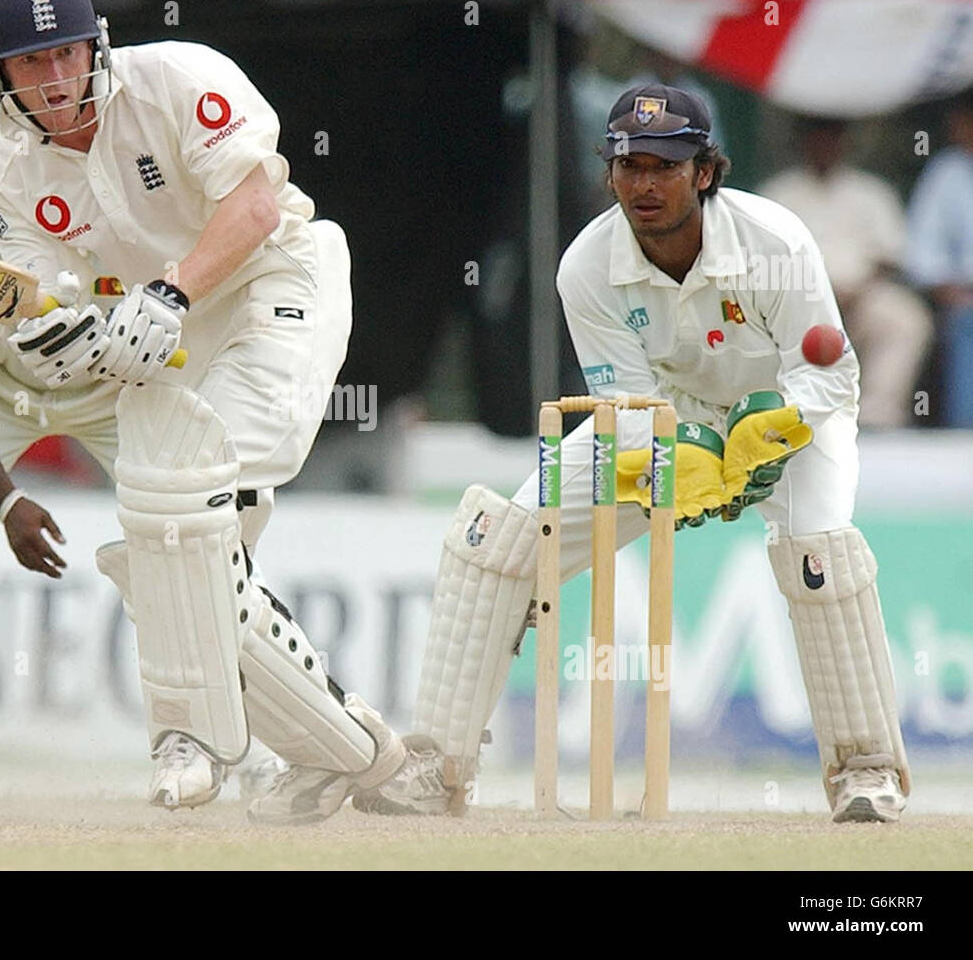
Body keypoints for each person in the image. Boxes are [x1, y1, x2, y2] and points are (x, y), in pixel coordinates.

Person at [0, 0, 405, 824]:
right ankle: (307, 747)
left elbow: (256, 209)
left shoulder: (179, 81)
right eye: (29, 63)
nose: (52, 80)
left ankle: (271, 746)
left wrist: (161, 300)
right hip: (49, 375)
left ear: (97, 47)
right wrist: (66, 346)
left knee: (196, 524)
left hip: (263, 286)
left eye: (65, 54)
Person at [352, 83, 910, 823]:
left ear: (705, 172)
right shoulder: (587, 267)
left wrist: (769, 426)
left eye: (664, 166)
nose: (644, 184)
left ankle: (866, 772)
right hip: (660, 422)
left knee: (820, 560)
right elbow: (625, 405)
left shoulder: (777, 241)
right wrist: (685, 457)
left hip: (787, 416)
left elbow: (832, 373)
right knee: (501, 543)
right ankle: (438, 768)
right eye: (628, 166)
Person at [761, 117, 931, 428]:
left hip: (862, 295)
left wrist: (856, 290)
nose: (825, 146)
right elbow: (763, 257)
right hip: (799, 298)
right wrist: (815, 292)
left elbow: (891, 256)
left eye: (832, 139)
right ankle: (788, 415)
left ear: (844, 144)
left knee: (906, 319)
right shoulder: (779, 193)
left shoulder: (870, 192)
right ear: (804, 143)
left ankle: (877, 417)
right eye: (817, 138)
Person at [906, 89, 973, 428]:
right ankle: (966, 439)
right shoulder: (946, 172)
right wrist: (953, 292)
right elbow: (922, 255)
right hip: (964, 298)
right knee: (966, 322)